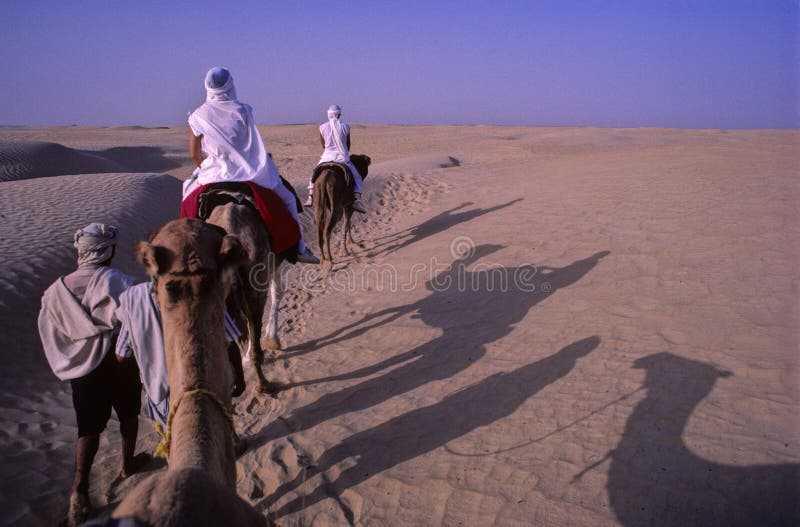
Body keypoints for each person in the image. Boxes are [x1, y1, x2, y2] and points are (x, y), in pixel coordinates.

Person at [37, 223, 144, 527]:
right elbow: (135, 321)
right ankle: (127, 464)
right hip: (119, 362)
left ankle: (79, 489)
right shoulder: (120, 282)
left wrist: (75, 354)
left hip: (81, 371)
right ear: (107, 251)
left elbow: (51, 333)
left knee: (88, 428)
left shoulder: (55, 292)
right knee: (129, 414)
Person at [184, 66, 319, 264]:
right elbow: (251, 144)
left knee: (187, 194)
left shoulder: (197, 116)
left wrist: (205, 167)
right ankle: (299, 249)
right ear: (230, 86)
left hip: (212, 173)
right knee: (289, 198)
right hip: (248, 172)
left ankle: (186, 252)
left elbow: (194, 154)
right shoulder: (243, 110)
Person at [115, 281, 244, 434]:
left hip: (161, 395)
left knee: (175, 445)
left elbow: (121, 355)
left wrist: (149, 351)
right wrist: (240, 378)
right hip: (205, 387)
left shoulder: (134, 299)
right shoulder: (203, 290)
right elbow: (229, 341)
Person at [304, 104, 366, 213]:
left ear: (328, 114)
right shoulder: (345, 127)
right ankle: (356, 200)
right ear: (339, 115)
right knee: (357, 177)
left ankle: (310, 196)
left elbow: (323, 145)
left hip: (326, 157)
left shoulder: (322, 127)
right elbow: (347, 145)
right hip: (341, 158)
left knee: (314, 173)